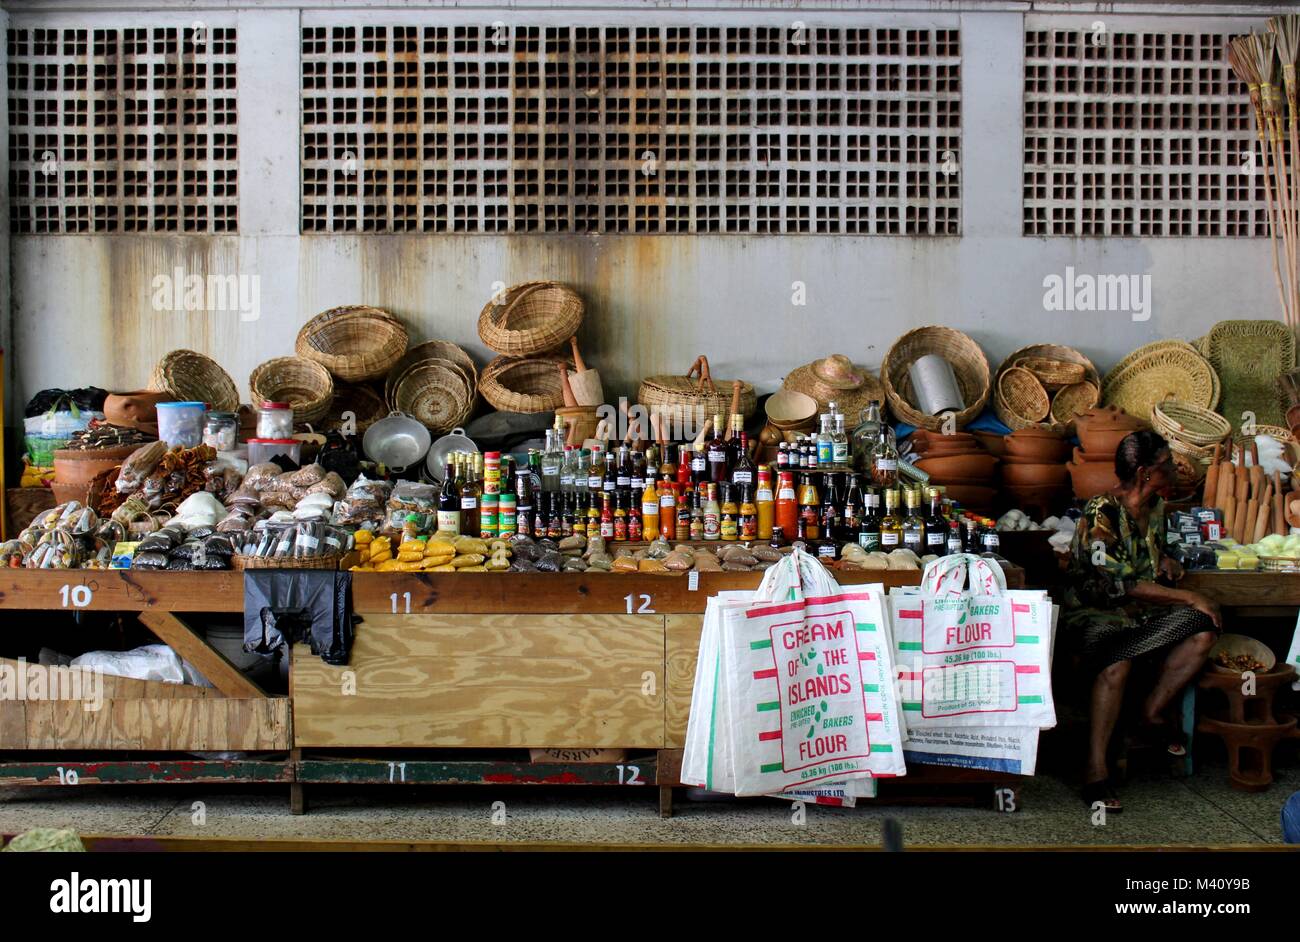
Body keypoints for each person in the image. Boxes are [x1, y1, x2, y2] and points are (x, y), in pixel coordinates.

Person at [1063, 429, 1221, 812]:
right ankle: (1095, 769)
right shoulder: (1102, 511)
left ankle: (1151, 711)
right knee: (1117, 662)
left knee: (1203, 627)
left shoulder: (1156, 510)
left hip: (1139, 615)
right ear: (1146, 471)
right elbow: (1122, 582)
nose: (1176, 471)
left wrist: (1166, 561)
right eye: (1168, 464)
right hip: (1092, 613)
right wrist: (1190, 595)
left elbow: (1153, 555)